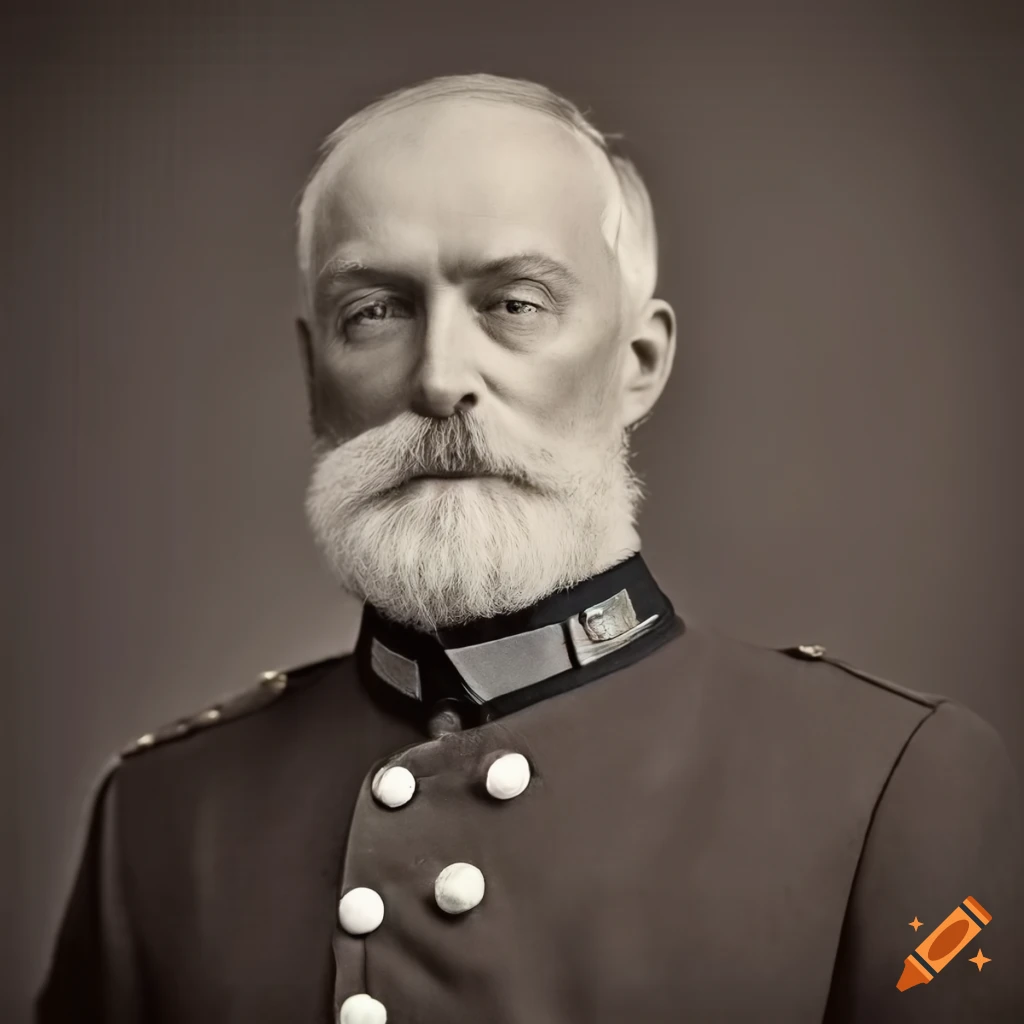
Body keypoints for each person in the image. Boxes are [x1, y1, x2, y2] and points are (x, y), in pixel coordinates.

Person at [36, 72, 1022, 1024]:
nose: (438, 377)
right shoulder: (158, 818)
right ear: (312, 374)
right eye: (373, 310)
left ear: (638, 363)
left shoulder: (892, 782)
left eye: (513, 302)